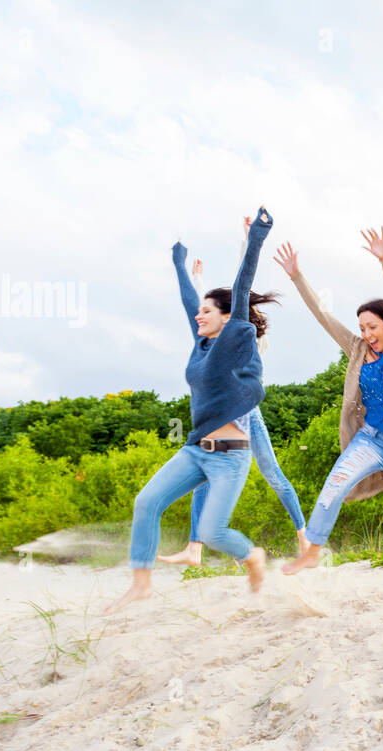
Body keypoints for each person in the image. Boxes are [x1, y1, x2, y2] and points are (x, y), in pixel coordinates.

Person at [103, 206, 275, 614]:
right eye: (199, 312)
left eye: (207, 311)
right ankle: (141, 584)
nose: (198, 315)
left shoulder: (235, 336)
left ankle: (252, 556)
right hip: (197, 450)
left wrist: (256, 239)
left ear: (227, 317)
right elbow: (187, 300)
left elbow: (243, 281)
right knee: (146, 503)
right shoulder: (200, 344)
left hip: (231, 458)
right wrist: (178, 263)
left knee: (214, 533)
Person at [272, 227, 383, 577]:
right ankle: (313, 550)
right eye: (362, 328)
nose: (366, 334)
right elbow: (323, 315)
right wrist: (297, 277)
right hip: (370, 440)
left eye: (372, 327)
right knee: (332, 487)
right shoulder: (357, 350)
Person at [159, 216, 309, 566]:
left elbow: (241, 289)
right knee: (205, 474)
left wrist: (249, 240)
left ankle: (305, 540)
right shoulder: (211, 335)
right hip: (222, 416)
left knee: (273, 475)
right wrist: (187, 272)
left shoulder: (251, 338)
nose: (203, 318)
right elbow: (200, 306)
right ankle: (194, 549)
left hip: (244, 416)